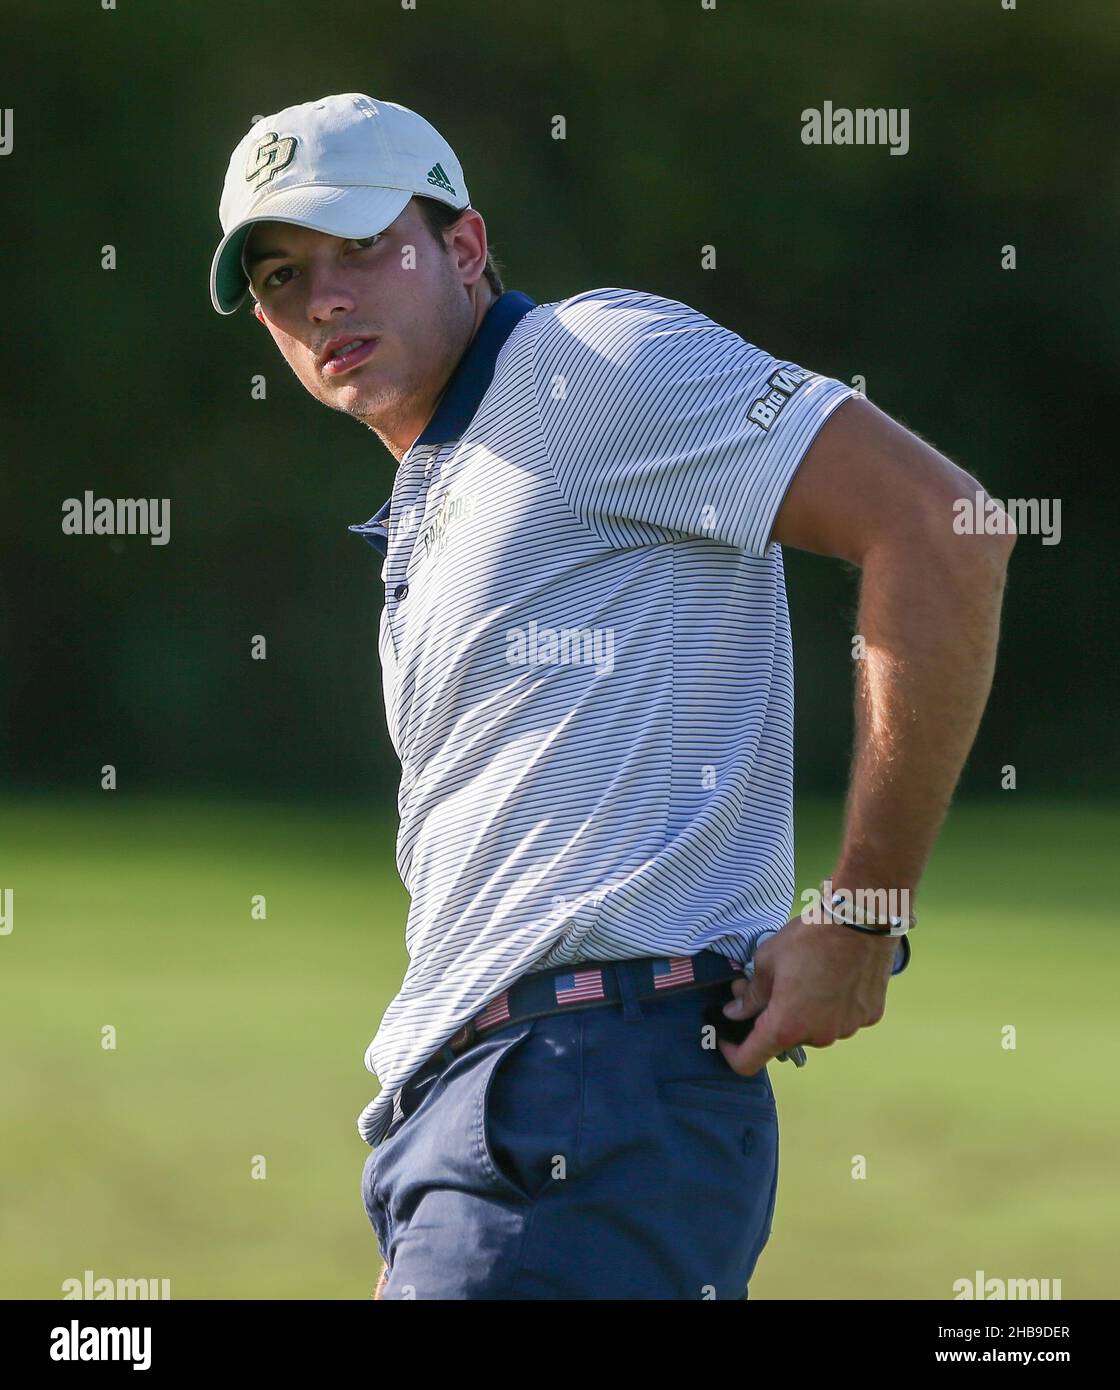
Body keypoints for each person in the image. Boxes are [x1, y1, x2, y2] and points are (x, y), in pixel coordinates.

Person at [209, 93, 1015, 1300]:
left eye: (363, 246)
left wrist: (863, 910)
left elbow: (944, 525)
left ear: (464, 247)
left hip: (581, 1094)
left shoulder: (587, 362)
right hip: (493, 1114)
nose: (322, 299)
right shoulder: (438, 494)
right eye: (281, 276)